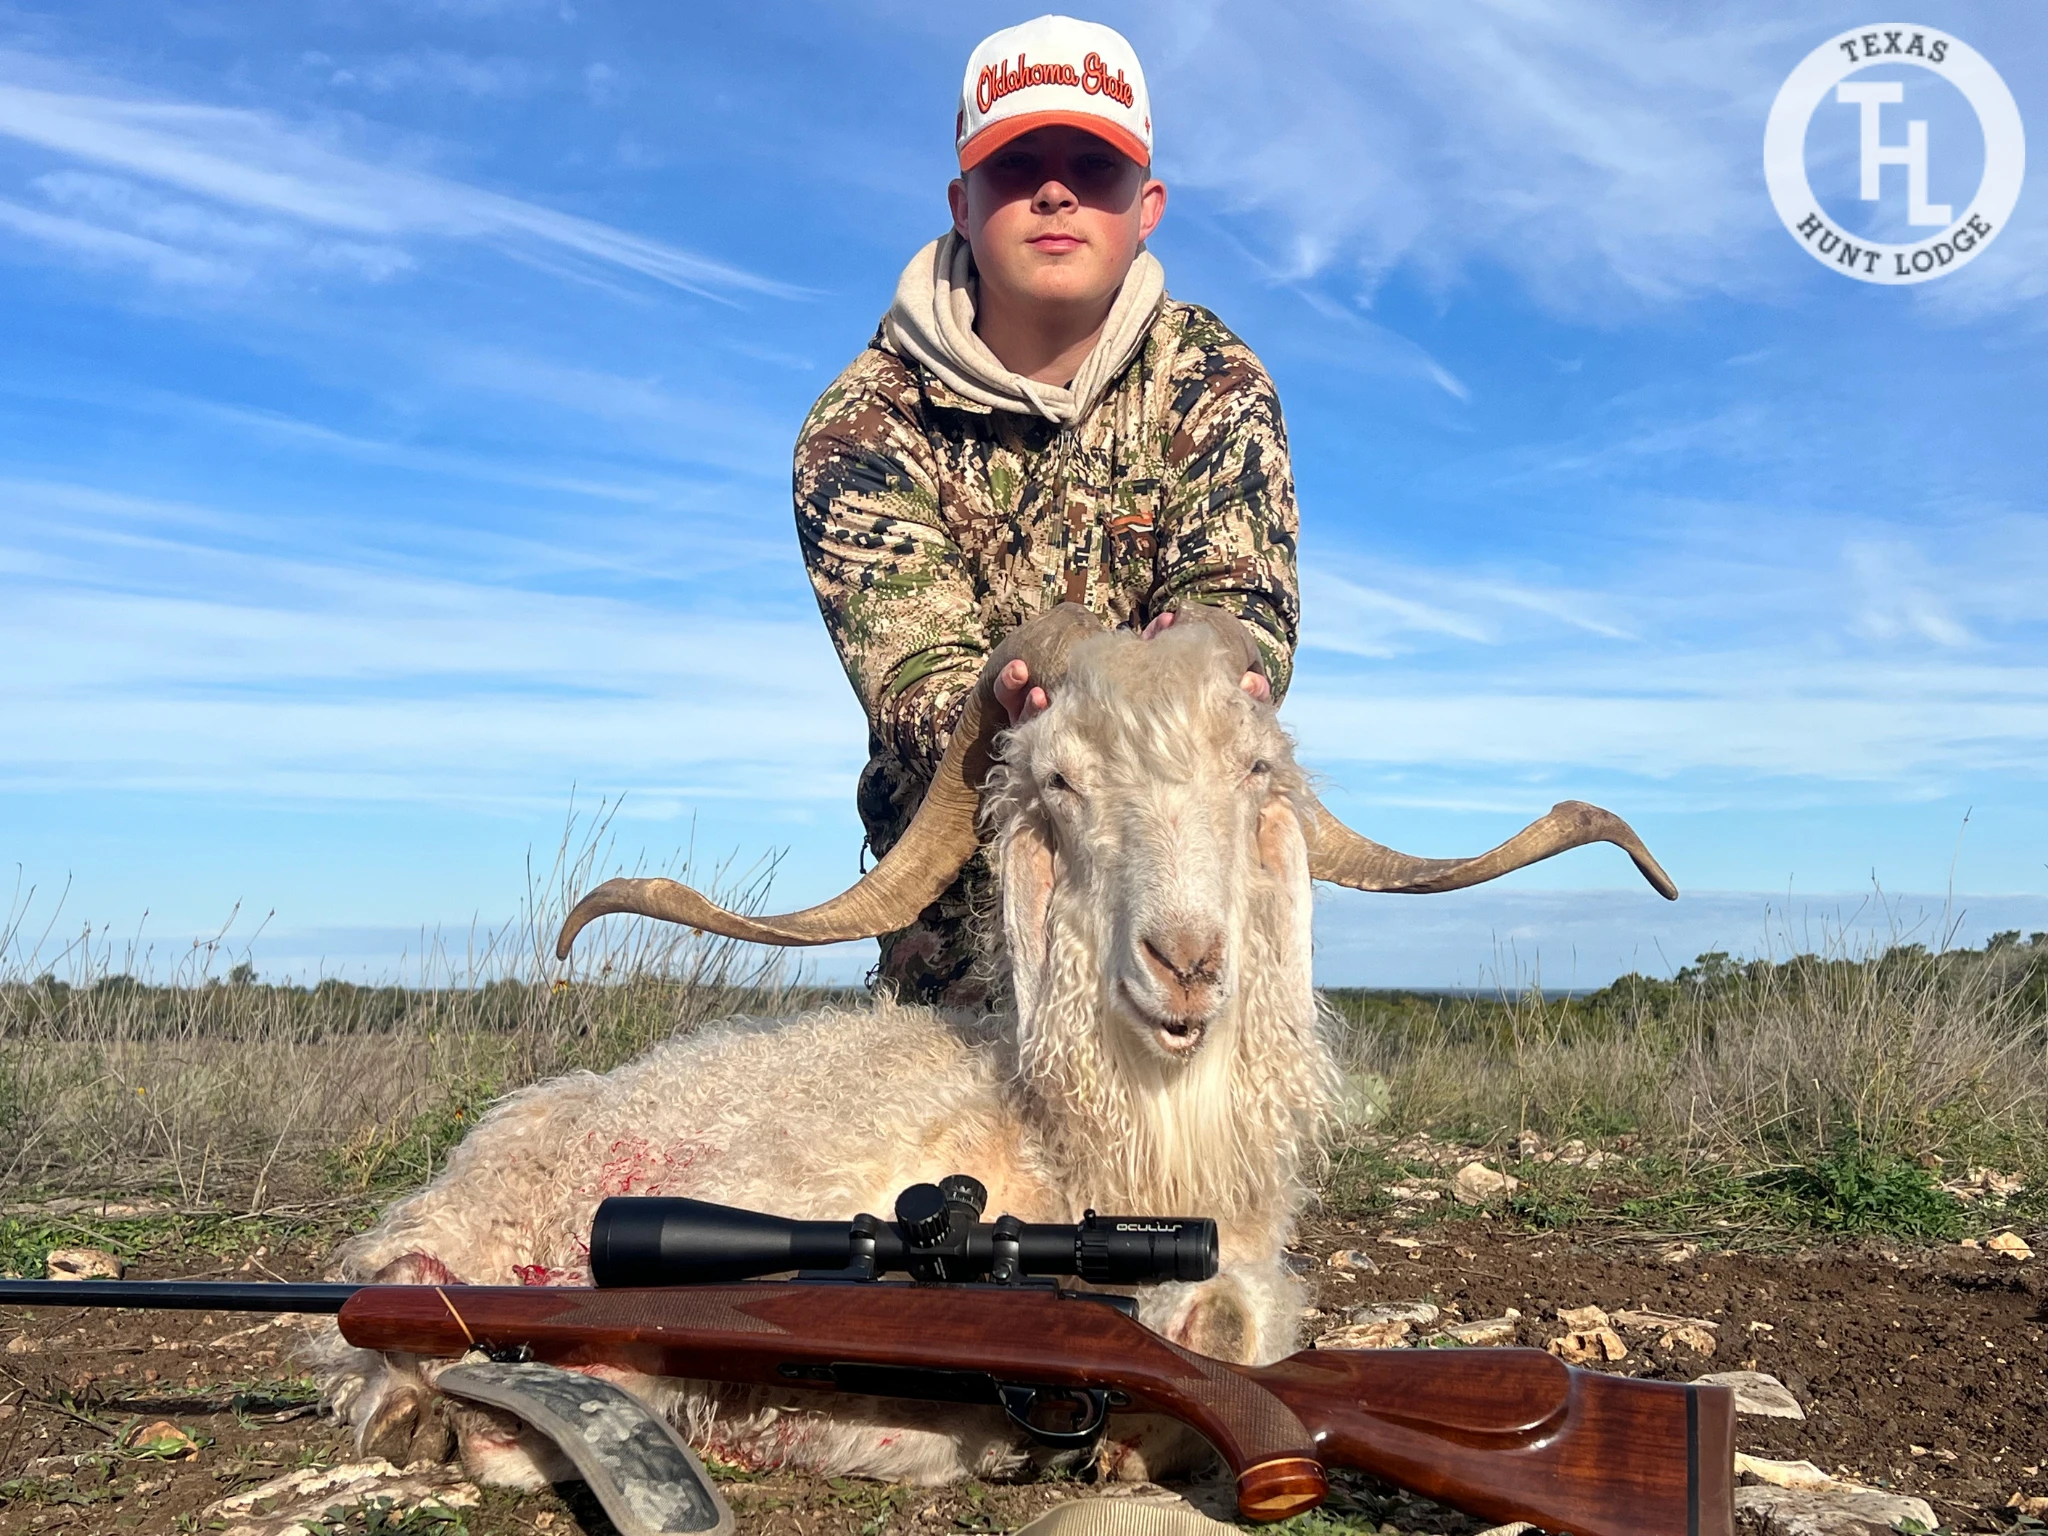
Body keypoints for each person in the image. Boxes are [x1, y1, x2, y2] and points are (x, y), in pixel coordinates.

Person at [795, 15, 1299, 1006]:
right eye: (1016, 164)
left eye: (1094, 167)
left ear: (1146, 206)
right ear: (962, 203)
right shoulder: (861, 427)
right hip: (977, 939)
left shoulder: (1214, 382)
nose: (1056, 192)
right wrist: (1019, 697)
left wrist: (1219, 651)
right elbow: (919, 687)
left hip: (1188, 904)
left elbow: (1244, 607)